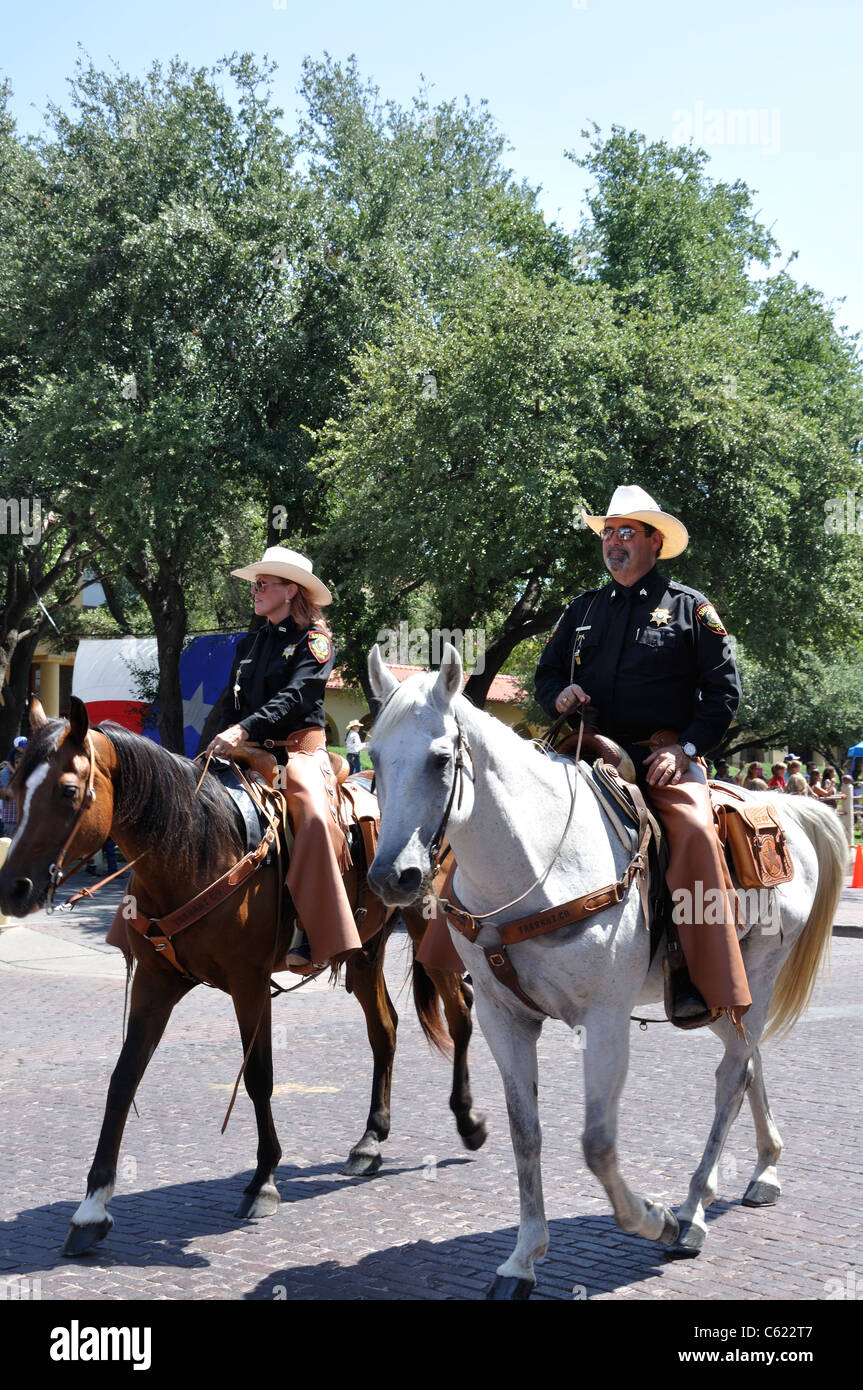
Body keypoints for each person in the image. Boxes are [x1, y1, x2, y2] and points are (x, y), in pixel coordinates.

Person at [535, 484, 750, 1032]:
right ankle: (473, 948)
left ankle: (696, 971)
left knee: (697, 835)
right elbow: (548, 675)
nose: (614, 543)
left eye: (626, 532)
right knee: (506, 804)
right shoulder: (581, 609)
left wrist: (687, 749)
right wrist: (558, 695)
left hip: (662, 757)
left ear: (655, 542)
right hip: (586, 749)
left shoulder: (690, 607)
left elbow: (723, 693)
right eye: (608, 533)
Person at [208, 546, 362, 975]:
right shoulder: (250, 643)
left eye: (263, 584)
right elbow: (230, 705)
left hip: (298, 751)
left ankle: (311, 928)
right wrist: (224, 736)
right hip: (246, 750)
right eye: (254, 584)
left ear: (290, 589)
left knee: (311, 816)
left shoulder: (315, 640)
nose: (254, 591)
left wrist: (244, 730)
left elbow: (295, 696)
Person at [0, 737, 27, 836]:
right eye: (17, 762)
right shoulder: (13, 752)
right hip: (10, 819)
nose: (19, 764)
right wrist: (15, 772)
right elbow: (7, 764)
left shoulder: (28, 751)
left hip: (23, 821)